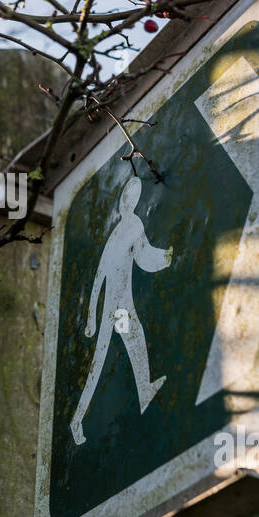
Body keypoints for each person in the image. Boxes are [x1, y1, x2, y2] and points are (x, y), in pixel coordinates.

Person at [71, 177, 173, 446]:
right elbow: (143, 259)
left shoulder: (120, 229)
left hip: (117, 306)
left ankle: (144, 391)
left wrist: (93, 316)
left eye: (134, 195)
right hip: (117, 308)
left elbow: (100, 278)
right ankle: (76, 420)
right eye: (128, 195)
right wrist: (168, 258)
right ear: (123, 201)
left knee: (128, 344)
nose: (130, 200)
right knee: (100, 361)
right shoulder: (129, 227)